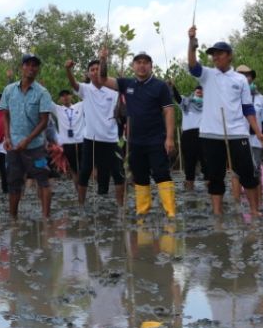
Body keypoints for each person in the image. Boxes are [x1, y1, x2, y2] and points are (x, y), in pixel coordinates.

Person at [187, 28, 263, 218]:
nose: (215, 57)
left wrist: (258, 132)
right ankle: (218, 214)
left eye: (220, 53)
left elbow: (248, 108)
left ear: (229, 55)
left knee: (247, 173)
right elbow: (192, 65)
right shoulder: (207, 74)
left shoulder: (240, 79)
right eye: (213, 54)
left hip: (237, 133)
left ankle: (254, 211)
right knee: (215, 176)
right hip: (211, 134)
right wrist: (191, 43)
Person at [98, 47, 176, 218]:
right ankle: (142, 214)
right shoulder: (126, 84)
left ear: (151, 66)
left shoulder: (160, 86)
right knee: (140, 177)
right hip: (134, 142)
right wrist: (103, 59)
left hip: (157, 140)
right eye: (138, 62)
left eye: (145, 63)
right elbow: (102, 79)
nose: (142, 66)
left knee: (162, 174)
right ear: (133, 66)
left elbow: (169, 111)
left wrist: (170, 138)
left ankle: (171, 214)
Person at [0, 54, 55, 219]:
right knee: (13, 183)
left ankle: (46, 219)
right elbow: (5, 115)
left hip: (36, 148)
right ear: (21, 67)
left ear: (38, 69)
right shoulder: (9, 90)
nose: (31, 68)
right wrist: (7, 137)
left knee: (43, 180)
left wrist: (28, 140)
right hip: (13, 147)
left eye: (34, 65)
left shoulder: (42, 92)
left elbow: (44, 121)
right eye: (28, 64)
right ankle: (13, 219)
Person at [65, 58, 126, 207]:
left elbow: (122, 110)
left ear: (102, 71)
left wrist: (122, 84)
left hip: (111, 139)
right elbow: (73, 84)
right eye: (92, 70)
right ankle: (81, 206)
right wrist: (68, 70)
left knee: (118, 173)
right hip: (90, 139)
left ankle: (120, 207)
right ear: (88, 74)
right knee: (85, 172)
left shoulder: (113, 91)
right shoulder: (86, 89)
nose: (95, 71)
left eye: (97, 69)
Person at [232, 66, 263, 211]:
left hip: (256, 140)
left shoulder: (260, 98)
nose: (245, 77)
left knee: (256, 170)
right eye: (241, 75)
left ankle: (259, 204)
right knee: (236, 173)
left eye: (247, 75)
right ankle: (237, 205)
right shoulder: (232, 97)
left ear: (251, 78)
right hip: (237, 138)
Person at [174, 84, 204, 191]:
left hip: (204, 135)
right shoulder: (186, 102)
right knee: (189, 162)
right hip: (188, 135)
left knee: (207, 163)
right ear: (194, 91)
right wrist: (173, 87)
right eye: (197, 89)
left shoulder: (209, 104)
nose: (199, 90)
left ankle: (210, 189)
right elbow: (177, 97)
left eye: (201, 89)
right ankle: (190, 189)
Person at [51, 89, 84, 181]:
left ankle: (83, 185)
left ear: (71, 96)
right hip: (67, 143)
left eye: (67, 95)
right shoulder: (58, 109)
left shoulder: (80, 106)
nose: (65, 97)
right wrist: (42, 89)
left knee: (83, 166)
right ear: (60, 99)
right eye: (62, 96)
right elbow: (47, 101)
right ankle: (78, 188)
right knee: (73, 167)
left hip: (81, 141)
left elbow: (88, 97)